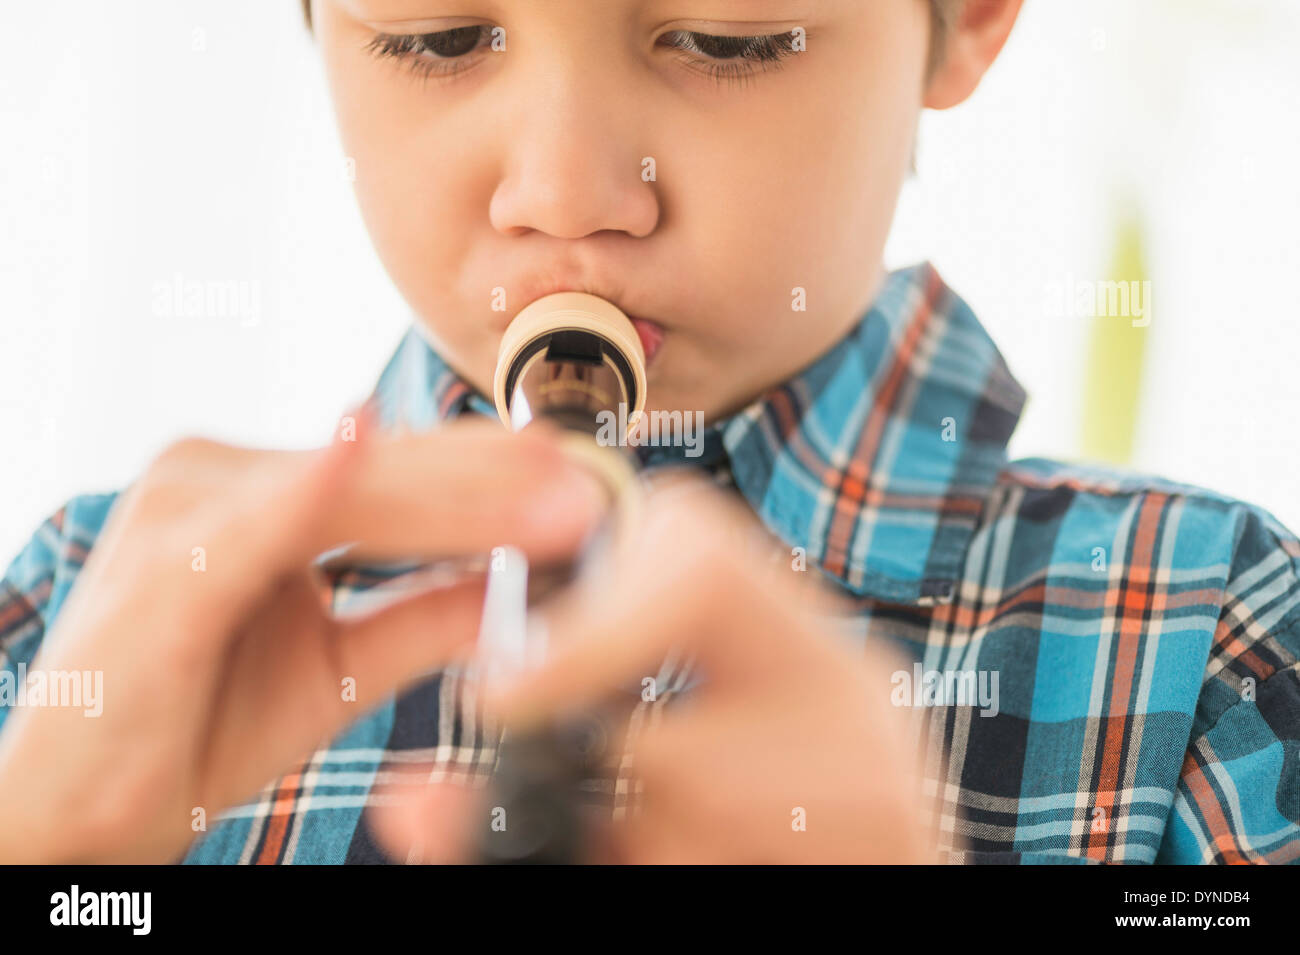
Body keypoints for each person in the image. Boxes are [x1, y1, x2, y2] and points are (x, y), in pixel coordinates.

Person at [1, 0, 1296, 864]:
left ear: (962, 19)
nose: (564, 194)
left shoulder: (1217, 643)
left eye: (728, 37)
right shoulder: (75, 619)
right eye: (435, 33)